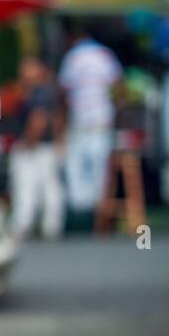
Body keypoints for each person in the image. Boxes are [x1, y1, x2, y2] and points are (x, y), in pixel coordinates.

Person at [58, 26, 123, 228]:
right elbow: (119, 87)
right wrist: (116, 110)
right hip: (101, 120)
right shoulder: (105, 55)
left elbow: (64, 92)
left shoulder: (72, 58)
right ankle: (98, 215)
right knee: (99, 169)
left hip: (81, 122)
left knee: (77, 169)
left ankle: (85, 215)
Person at [8, 56, 65, 240]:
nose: (23, 73)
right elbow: (57, 117)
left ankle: (23, 223)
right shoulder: (49, 91)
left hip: (36, 146)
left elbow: (38, 120)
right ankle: (51, 225)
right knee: (49, 186)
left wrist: (28, 143)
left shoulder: (41, 93)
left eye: (27, 69)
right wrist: (58, 139)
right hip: (47, 145)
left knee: (27, 186)